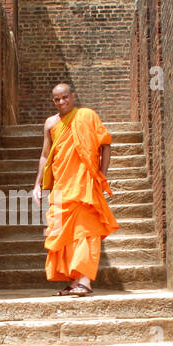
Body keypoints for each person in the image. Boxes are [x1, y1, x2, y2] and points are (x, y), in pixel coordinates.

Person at [30, 83, 119, 296]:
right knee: (64, 234)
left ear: (73, 96)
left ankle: (85, 281)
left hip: (84, 182)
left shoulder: (87, 116)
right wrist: (37, 184)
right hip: (61, 185)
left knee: (85, 231)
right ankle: (74, 281)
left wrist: (102, 174)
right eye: (57, 99)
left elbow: (105, 143)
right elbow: (45, 155)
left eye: (65, 97)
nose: (61, 102)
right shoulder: (50, 123)